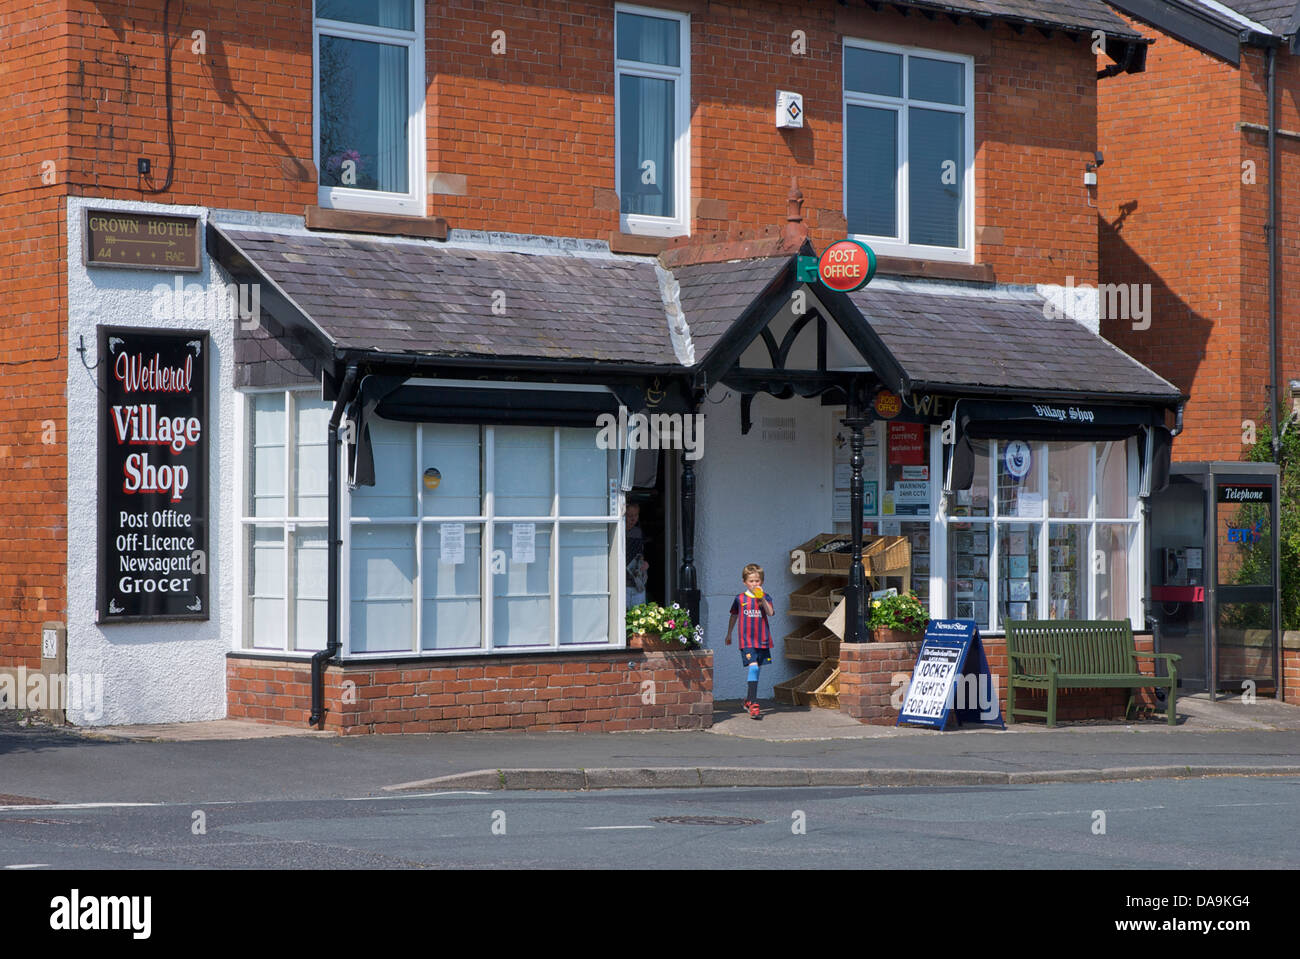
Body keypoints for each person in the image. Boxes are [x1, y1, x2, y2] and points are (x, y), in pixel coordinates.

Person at [725, 563, 775, 719]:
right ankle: (753, 703)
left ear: (762, 582)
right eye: (751, 581)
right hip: (747, 641)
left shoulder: (765, 597)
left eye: (757, 581)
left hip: (762, 640)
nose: (755, 584)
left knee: (757, 671)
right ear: (745, 582)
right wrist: (729, 634)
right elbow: (734, 615)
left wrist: (762, 600)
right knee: (753, 668)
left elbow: (771, 613)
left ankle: (748, 700)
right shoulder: (740, 598)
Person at [625, 502, 649, 608]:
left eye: (636, 515)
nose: (633, 519)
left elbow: (640, 554)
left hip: (636, 581)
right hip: (622, 582)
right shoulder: (617, 531)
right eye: (630, 516)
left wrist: (644, 564)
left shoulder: (638, 532)